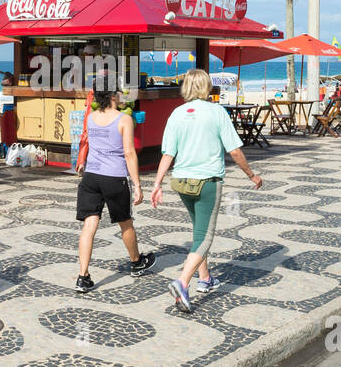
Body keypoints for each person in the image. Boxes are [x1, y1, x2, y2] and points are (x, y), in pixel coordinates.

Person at [149, 68, 262, 313]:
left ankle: (206, 279)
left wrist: (157, 184)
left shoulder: (177, 114)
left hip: (181, 182)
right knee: (205, 237)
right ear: (207, 87)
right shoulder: (216, 112)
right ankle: (182, 282)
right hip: (207, 182)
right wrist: (251, 175)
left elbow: (168, 153)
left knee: (199, 229)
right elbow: (234, 151)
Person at [74, 75, 154, 292]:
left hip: (91, 177)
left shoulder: (90, 117)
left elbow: (89, 142)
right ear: (112, 95)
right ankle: (136, 262)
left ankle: (83, 276)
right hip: (115, 178)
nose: (121, 95)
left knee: (89, 226)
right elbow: (129, 153)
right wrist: (137, 184)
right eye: (118, 91)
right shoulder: (123, 119)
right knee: (125, 222)